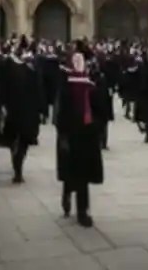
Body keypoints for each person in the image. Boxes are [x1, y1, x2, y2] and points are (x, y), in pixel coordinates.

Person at [56, 51, 102, 227]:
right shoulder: (66, 84)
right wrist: (63, 136)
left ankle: (83, 211)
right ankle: (67, 193)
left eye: (81, 60)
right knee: (71, 171)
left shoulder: (92, 82)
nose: (78, 63)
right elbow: (61, 113)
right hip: (71, 133)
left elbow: (100, 107)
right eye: (75, 60)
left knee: (83, 174)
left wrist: (96, 126)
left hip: (87, 134)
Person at [0, 43, 41, 184]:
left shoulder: (6, 68)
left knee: (13, 141)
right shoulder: (31, 70)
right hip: (27, 113)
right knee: (23, 142)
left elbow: (0, 89)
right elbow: (39, 92)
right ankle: (18, 169)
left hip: (12, 111)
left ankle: (17, 167)